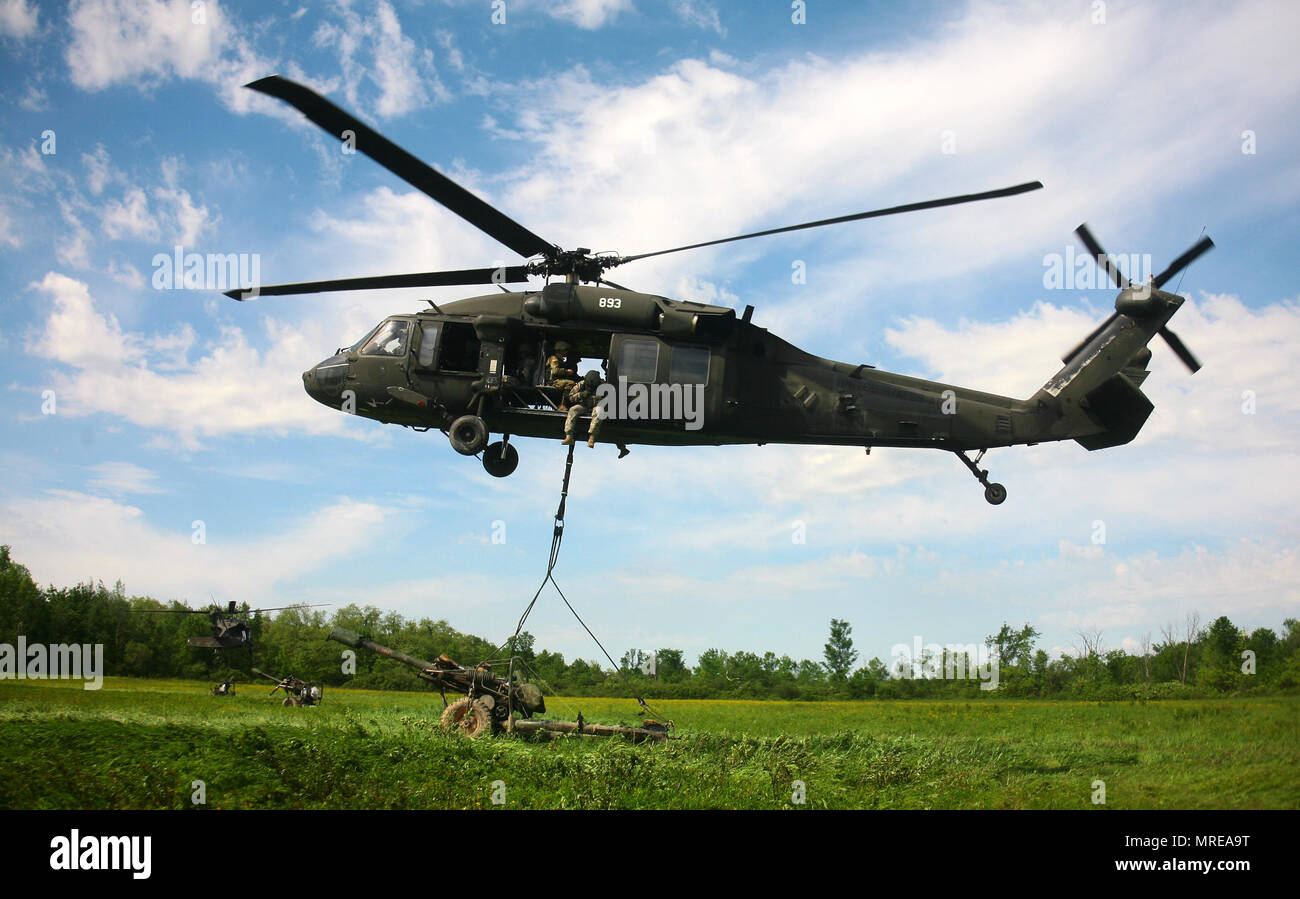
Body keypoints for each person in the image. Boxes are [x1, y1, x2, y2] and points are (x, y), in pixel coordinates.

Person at [563, 370, 605, 448]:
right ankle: (569, 436)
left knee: (599, 411)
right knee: (573, 410)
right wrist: (581, 395)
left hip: (597, 406)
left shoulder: (604, 385)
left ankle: (592, 438)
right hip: (584, 405)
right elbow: (571, 397)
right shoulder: (581, 384)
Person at [546, 341, 580, 406]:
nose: (566, 352)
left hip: (556, 380)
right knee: (570, 383)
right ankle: (563, 404)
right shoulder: (554, 358)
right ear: (560, 350)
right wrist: (566, 371)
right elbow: (554, 371)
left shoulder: (560, 360)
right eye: (565, 350)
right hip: (553, 381)